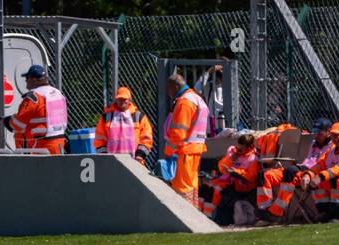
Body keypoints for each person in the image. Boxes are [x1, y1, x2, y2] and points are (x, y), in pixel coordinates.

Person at [162, 72, 210, 207]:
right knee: (192, 186)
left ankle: (185, 217)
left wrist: (168, 151)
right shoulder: (197, 99)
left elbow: (178, 133)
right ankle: (195, 217)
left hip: (184, 151)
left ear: (176, 86)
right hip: (195, 149)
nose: (168, 92)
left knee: (182, 187)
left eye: (168, 88)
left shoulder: (185, 102)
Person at [202, 132, 261, 225]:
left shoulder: (253, 158)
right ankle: (205, 216)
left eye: (241, 148)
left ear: (249, 147)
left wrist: (235, 172)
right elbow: (221, 168)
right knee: (207, 186)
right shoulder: (234, 152)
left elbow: (251, 177)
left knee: (217, 189)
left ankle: (212, 218)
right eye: (238, 147)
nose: (238, 150)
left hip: (242, 186)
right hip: (228, 181)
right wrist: (231, 159)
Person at [7, 65, 68, 154]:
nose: (26, 81)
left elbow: (18, 124)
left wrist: (7, 121)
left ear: (34, 80)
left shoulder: (34, 97)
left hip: (41, 145)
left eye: (27, 78)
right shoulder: (58, 93)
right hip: (59, 142)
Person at [93, 87, 153, 163]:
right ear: (116, 100)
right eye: (119, 99)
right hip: (112, 163)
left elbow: (147, 138)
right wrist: (105, 157)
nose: (122, 101)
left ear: (129, 100)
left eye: (124, 99)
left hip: (135, 162)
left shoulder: (139, 117)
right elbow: (99, 140)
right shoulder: (106, 117)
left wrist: (140, 155)